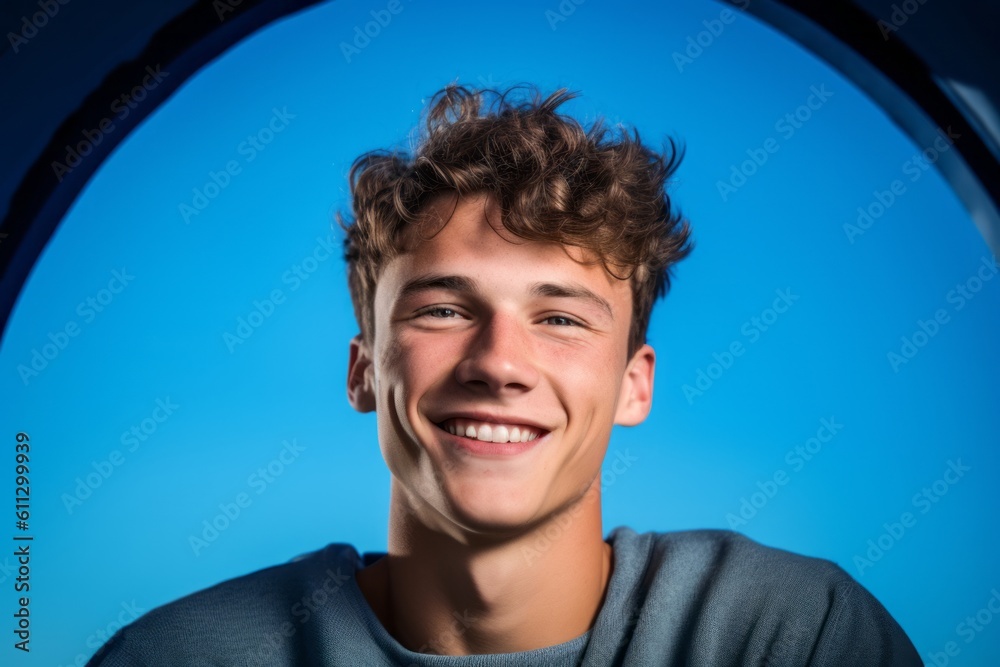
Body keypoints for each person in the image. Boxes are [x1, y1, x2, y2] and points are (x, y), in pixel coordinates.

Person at [88, 83, 921, 666]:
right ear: (364, 370)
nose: (497, 363)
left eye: (559, 318)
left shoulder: (793, 637)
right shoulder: (179, 656)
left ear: (636, 383)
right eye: (443, 310)